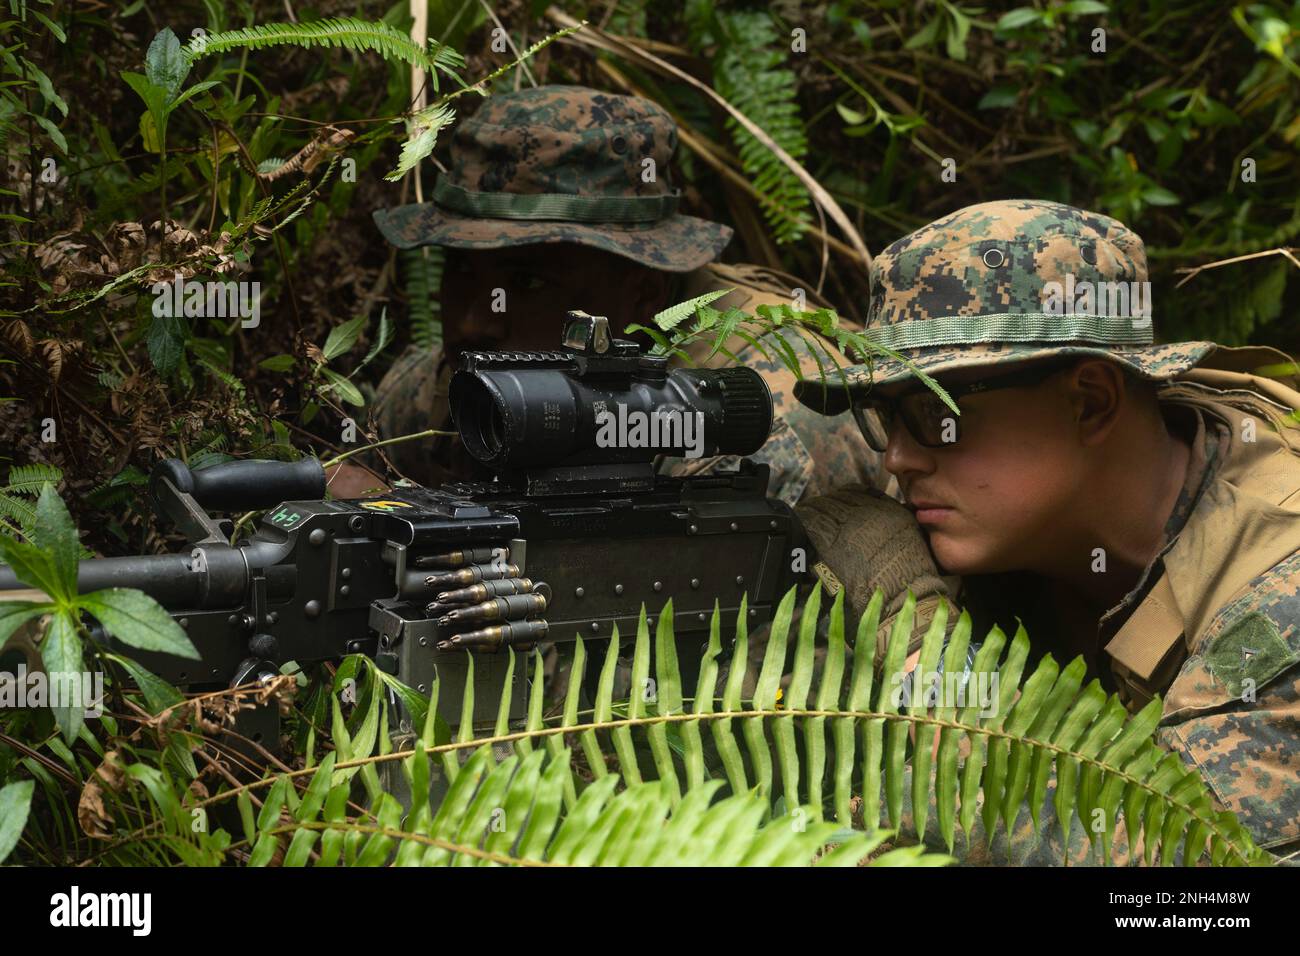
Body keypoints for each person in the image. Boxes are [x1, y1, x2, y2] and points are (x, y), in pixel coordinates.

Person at [793, 198, 1300, 862]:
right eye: (886, 419)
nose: (897, 458)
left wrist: (921, 649)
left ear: (1089, 402)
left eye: (930, 413)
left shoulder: (1279, 595)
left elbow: (1174, 875)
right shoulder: (1008, 516)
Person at [358, 84, 887, 507]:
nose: (474, 321)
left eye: (528, 283)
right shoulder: (460, 381)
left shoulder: (756, 430)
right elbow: (375, 457)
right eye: (460, 271)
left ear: (643, 293)